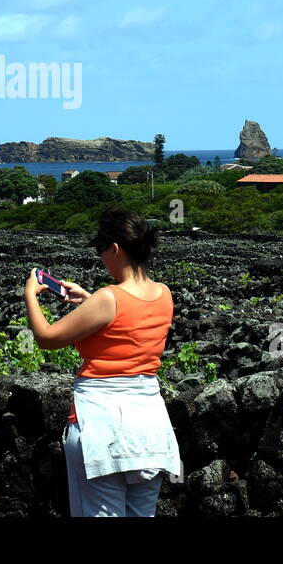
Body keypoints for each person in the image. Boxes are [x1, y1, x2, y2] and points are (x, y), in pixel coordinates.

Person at [22, 208, 182, 517]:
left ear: (115, 249)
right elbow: (126, 321)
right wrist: (88, 299)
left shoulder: (107, 298)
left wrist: (31, 294)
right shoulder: (164, 294)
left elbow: (47, 338)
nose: (101, 258)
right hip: (150, 427)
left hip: (102, 425)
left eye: (101, 251)